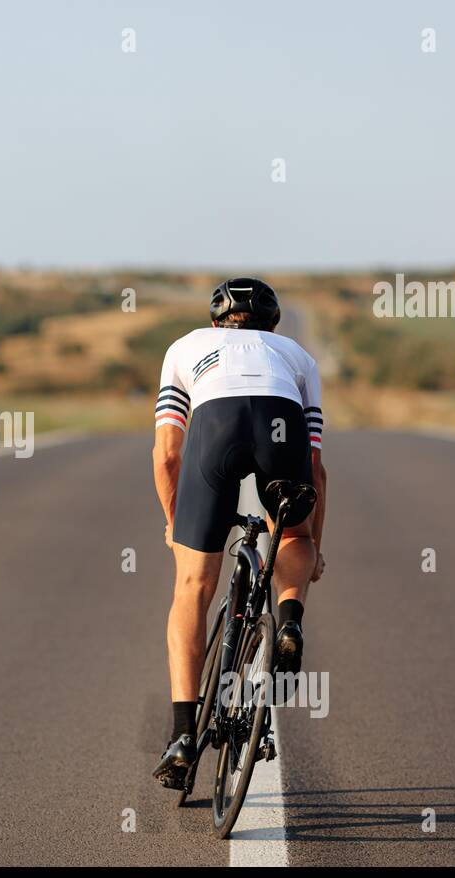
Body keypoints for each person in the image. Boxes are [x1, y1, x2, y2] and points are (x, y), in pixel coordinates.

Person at [151, 278, 327, 789]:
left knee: (192, 587)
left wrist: (174, 522)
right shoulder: (295, 355)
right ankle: (289, 622)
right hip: (280, 424)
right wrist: (312, 545)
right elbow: (316, 470)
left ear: (215, 322)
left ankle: (184, 737)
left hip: (215, 429)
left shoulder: (185, 347)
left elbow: (167, 455)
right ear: (273, 325)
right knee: (291, 537)